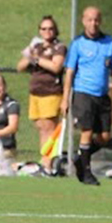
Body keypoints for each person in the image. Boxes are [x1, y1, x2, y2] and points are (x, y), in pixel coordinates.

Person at [59, 6, 112, 186]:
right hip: (83, 93)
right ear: (83, 20)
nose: (93, 23)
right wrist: (65, 99)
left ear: (100, 21)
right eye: (89, 20)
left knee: (104, 137)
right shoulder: (78, 44)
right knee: (87, 131)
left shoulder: (109, 42)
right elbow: (69, 72)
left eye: (96, 20)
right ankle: (86, 172)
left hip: (102, 95)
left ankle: (80, 157)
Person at [17, 15, 67, 161]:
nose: (47, 31)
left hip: (50, 92)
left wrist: (37, 59)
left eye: (51, 28)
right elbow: (20, 67)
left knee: (49, 128)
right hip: (35, 93)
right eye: (44, 29)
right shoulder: (36, 46)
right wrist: (30, 56)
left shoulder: (59, 47)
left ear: (55, 30)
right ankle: (44, 158)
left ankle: (49, 162)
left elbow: (56, 67)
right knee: (41, 128)